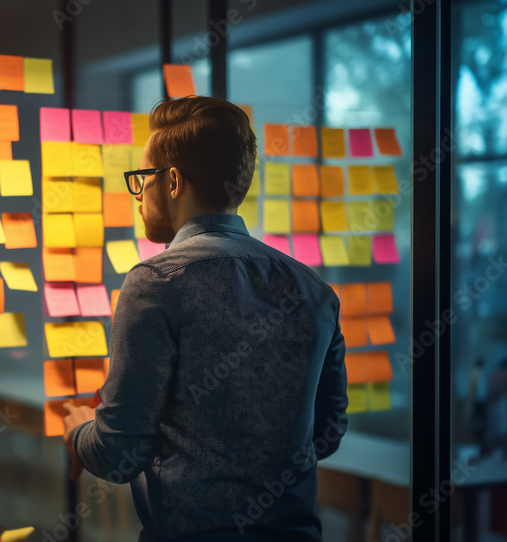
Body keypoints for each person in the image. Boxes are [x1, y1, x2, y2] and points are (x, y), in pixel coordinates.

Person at [62, 96, 349, 541]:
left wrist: (79, 430)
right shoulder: (315, 291)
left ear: (173, 181)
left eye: (142, 180)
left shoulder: (156, 282)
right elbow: (327, 433)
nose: (138, 196)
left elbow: (119, 453)